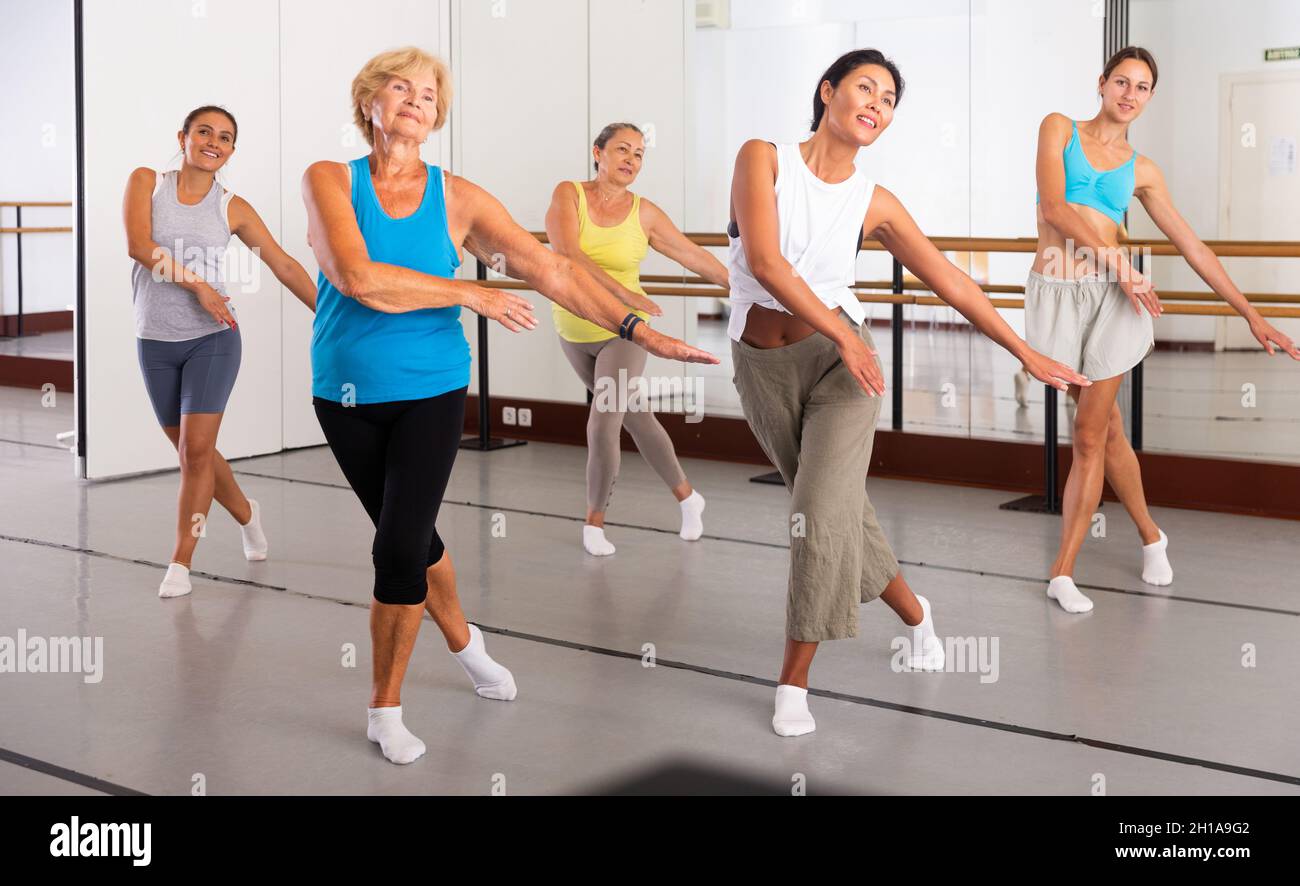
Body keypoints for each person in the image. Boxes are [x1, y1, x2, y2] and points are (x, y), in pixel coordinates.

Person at [302, 47, 717, 764]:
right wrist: (469, 291)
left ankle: (384, 709)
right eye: (400, 88)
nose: (416, 99)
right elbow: (356, 275)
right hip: (342, 393)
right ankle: (468, 644)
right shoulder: (328, 179)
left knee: (397, 548)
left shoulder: (458, 196)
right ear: (368, 102)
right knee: (417, 539)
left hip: (431, 389)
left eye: (429, 94)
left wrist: (637, 329)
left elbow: (548, 267)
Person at [728, 49, 1090, 737]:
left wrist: (1023, 349)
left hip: (846, 370)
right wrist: (841, 332)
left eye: (890, 98)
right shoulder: (763, 159)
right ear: (828, 91)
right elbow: (767, 262)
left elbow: (951, 281)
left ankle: (793, 684)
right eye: (865, 87)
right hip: (764, 368)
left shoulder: (876, 204)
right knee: (842, 518)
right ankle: (919, 616)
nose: (876, 103)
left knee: (813, 512)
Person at [1029, 46, 1299, 614]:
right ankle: (1152, 535)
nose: (1130, 94)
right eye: (1121, 82)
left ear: (1150, 97)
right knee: (1108, 435)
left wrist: (1248, 312)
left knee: (1085, 435)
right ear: (1100, 84)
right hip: (1058, 291)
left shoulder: (1143, 169)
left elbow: (1191, 243)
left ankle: (1063, 572)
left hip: (1113, 302)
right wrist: (1123, 264)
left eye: (1143, 87)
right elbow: (1055, 208)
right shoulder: (1059, 129)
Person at [123, 105, 318, 599]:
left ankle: (180, 564)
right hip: (156, 340)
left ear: (232, 149)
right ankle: (249, 515)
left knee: (195, 452)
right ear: (183, 137)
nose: (214, 142)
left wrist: (333, 312)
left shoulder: (232, 207)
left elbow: (284, 264)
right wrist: (198, 286)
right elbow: (138, 246)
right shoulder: (147, 182)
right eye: (204, 132)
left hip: (214, 338)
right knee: (194, 454)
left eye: (225, 137)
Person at [544, 122, 729, 555]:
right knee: (637, 417)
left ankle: (593, 524)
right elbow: (567, 255)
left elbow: (691, 254)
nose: (631, 160)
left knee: (603, 420)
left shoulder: (644, 212)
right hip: (573, 326)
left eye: (640, 153)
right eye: (622, 149)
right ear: (598, 152)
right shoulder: (568, 194)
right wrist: (622, 289)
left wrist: (741, 287)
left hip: (625, 330)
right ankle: (688, 497)